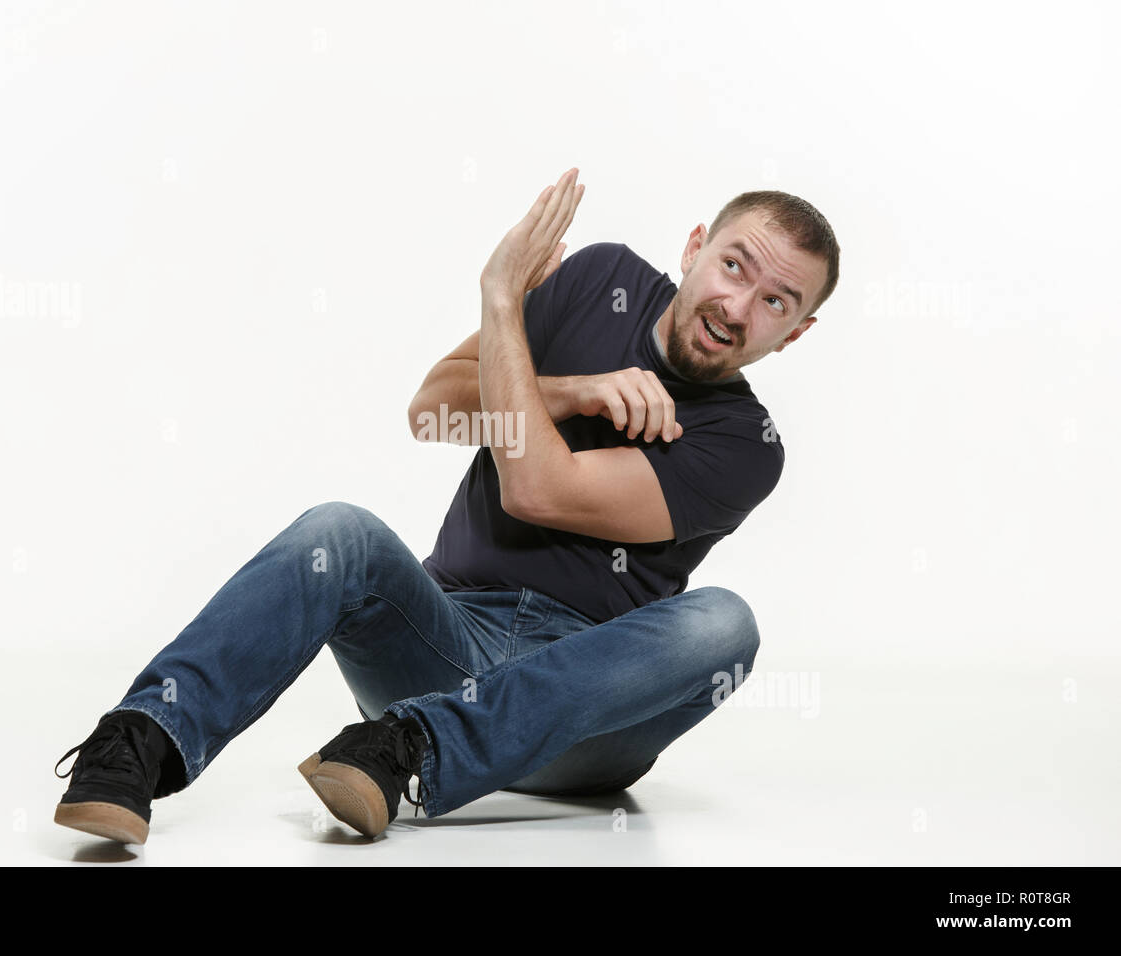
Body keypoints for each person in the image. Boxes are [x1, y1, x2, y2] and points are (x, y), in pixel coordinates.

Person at [53, 167, 840, 842]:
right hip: (443, 644)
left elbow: (537, 488)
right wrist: (566, 383)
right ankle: (142, 741)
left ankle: (411, 750)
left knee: (724, 623)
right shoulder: (603, 279)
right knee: (341, 531)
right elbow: (432, 410)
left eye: (776, 302)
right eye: (735, 266)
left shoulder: (747, 444)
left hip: (582, 712)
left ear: (796, 334)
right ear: (695, 245)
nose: (738, 309)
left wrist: (504, 301)